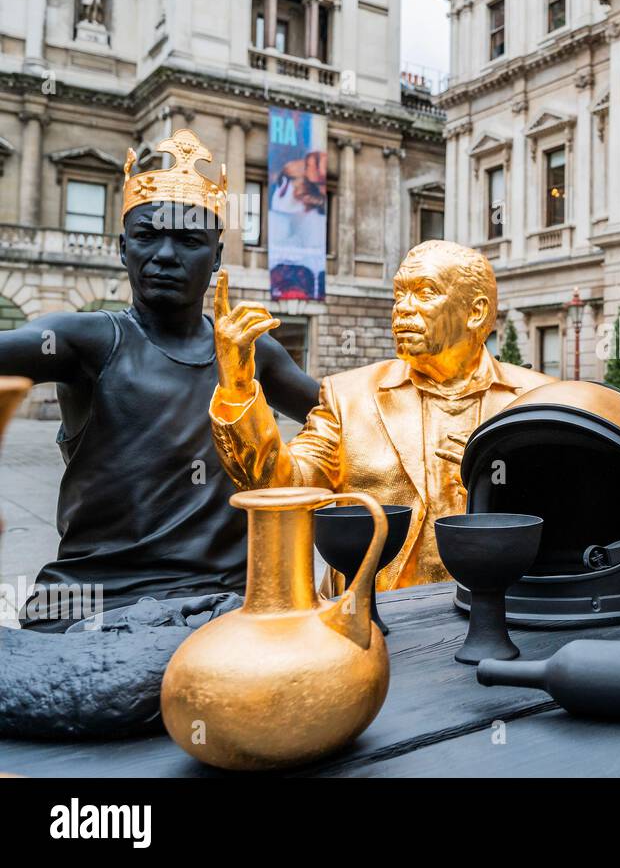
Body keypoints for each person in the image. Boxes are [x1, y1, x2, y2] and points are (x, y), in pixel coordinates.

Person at [0, 128, 319, 631]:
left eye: (189, 241)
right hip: (95, 604)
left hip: (224, 604)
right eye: (148, 237)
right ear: (122, 247)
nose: (166, 255)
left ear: (216, 256)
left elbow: (345, 416)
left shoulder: (251, 353)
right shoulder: (85, 341)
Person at [209, 239, 555, 589]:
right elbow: (282, 489)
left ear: (475, 311)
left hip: (504, 608)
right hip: (371, 613)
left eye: (425, 292)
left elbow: (570, 518)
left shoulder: (541, 400)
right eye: (399, 294)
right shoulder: (348, 396)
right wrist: (237, 391)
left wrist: (505, 482)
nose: (402, 307)